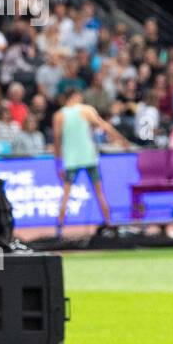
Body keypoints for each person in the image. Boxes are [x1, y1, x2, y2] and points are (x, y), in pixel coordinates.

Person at [53, 86, 130, 238]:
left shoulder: (59, 115)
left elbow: (56, 141)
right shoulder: (86, 110)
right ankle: (109, 224)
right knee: (99, 191)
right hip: (88, 156)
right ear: (76, 95)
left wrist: (58, 163)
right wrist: (121, 139)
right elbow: (104, 126)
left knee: (66, 194)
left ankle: (59, 229)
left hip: (71, 158)